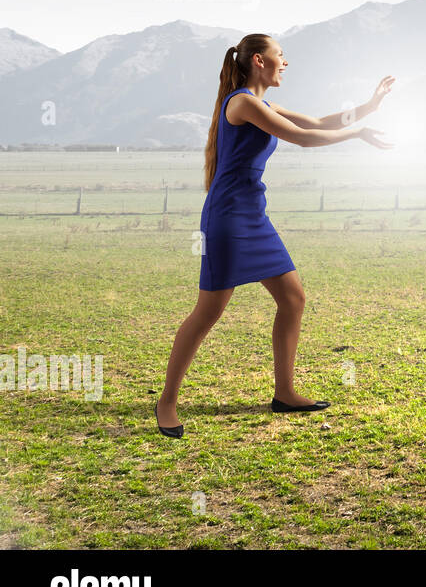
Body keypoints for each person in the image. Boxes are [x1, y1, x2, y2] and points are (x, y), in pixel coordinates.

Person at [154, 33, 395, 438]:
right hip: (228, 220)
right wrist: (356, 135)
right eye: (280, 55)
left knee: (293, 298)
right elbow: (303, 138)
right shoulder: (242, 103)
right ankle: (166, 401)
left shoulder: (261, 103)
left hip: (254, 216)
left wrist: (369, 108)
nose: (286, 62)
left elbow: (318, 122)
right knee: (208, 313)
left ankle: (284, 392)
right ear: (259, 62)